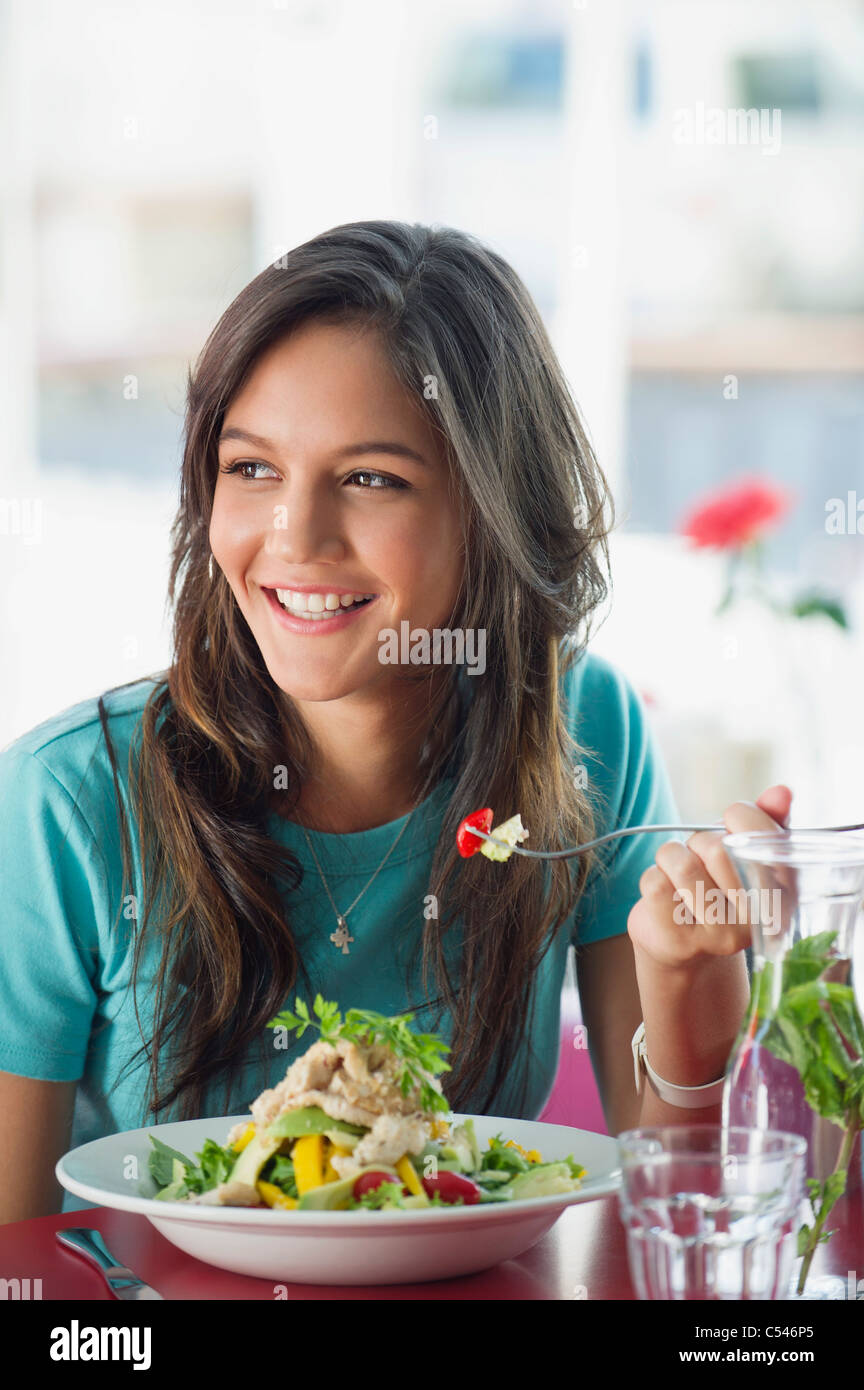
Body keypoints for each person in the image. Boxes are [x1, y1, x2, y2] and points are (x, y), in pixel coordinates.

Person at [0, 220, 791, 1223]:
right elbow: (13, 1266)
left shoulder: (586, 730)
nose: (296, 537)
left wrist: (693, 994)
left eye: (371, 478)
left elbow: (674, 1215)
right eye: (251, 469)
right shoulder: (63, 804)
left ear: (496, 509)